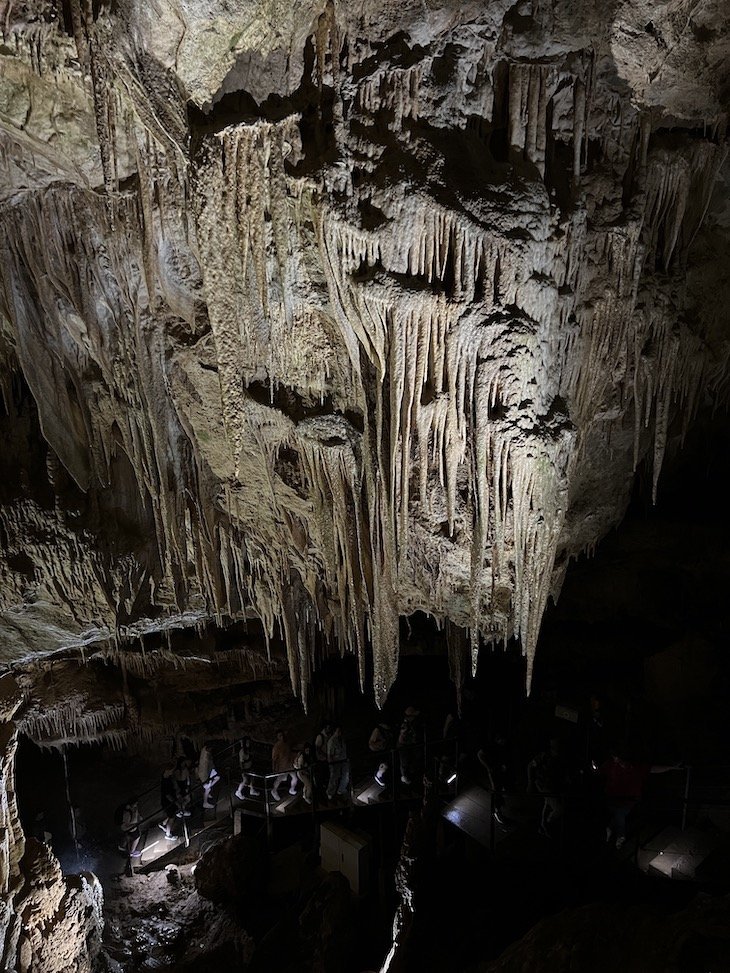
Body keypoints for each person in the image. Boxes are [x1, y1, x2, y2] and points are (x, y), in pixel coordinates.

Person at [600, 747, 680, 849]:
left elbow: (653, 768)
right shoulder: (610, 764)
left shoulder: (636, 767)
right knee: (619, 812)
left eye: (619, 758)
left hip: (630, 799)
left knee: (620, 812)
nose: (617, 760)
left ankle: (613, 830)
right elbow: (599, 771)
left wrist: (671, 767)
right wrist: (595, 769)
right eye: (615, 757)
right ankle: (618, 834)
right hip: (613, 797)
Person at [528, 738, 568, 836]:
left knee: (548, 804)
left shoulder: (560, 757)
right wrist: (530, 783)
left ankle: (543, 826)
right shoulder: (544, 756)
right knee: (559, 809)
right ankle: (548, 823)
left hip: (552, 786)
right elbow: (530, 766)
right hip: (543, 785)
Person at [477, 732, 510, 825]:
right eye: (503, 740)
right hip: (493, 771)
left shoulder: (502, 746)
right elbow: (479, 754)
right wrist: (488, 767)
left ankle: (500, 804)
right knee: (496, 790)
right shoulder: (491, 746)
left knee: (500, 788)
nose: (504, 742)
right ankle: (497, 811)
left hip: (499, 769)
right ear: (498, 740)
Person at [271, 730, 298, 803]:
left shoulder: (286, 745)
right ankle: (274, 790)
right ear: (278, 737)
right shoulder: (277, 747)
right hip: (282, 766)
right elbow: (274, 759)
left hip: (289, 765)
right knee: (279, 779)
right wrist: (274, 768)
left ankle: (292, 789)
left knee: (295, 778)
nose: (282, 737)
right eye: (280, 736)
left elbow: (289, 754)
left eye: (282, 735)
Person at [397, 706, 422, 786]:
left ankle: (410, 776)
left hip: (410, 745)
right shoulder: (405, 725)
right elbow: (402, 738)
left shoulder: (412, 724)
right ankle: (405, 777)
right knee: (404, 763)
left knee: (413, 760)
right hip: (404, 746)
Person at [326, 725, 350, 800]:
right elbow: (330, 755)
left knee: (346, 775)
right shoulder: (332, 741)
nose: (340, 733)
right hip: (335, 762)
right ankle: (330, 792)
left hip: (343, 760)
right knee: (334, 778)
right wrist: (331, 764)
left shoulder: (342, 739)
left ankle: (341, 789)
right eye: (338, 731)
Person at [158, 762, 178, 840]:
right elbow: (167, 794)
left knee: (171, 815)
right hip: (168, 802)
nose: (173, 771)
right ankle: (168, 834)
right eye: (172, 770)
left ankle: (163, 823)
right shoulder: (165, 781)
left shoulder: (166, 777)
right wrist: (174, 801)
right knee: (171, 818)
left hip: (168, 801)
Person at [198, 743, 221, 811]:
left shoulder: (205, 752)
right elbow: (205, 766)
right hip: (205, 773)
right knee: (207, 788)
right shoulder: (205, 757)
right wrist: (207, 778)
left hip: (209, 770)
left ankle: (208, 790)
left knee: (217, 777)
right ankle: (205, 802)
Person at [369, 722, 391, 786]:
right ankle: (379, 776)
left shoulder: (388, 730)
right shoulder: (378, 730)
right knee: (384, 765)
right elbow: (371, 744)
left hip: (387, 750)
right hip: (380, 751)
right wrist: (380, 744)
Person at [314, 721, 333, 789]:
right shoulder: (320, 736)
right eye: (328, 728)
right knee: (323, 775)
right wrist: (325, 755)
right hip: (322, 760)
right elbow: (317, 749)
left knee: (328, 775)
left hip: (327, 759)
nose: (329, 729)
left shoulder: (329, 735)